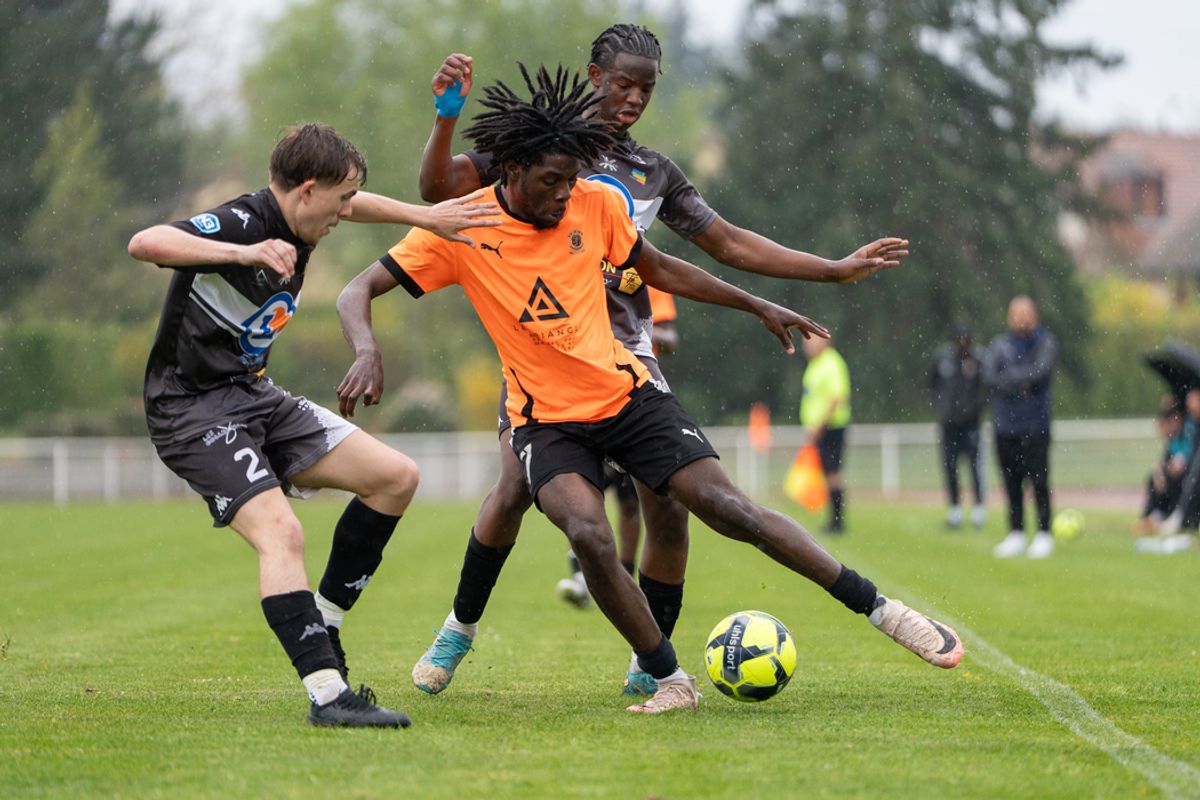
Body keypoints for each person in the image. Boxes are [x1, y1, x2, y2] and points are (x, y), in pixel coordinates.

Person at [336, 64, 963, 716]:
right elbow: (359, 288)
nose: (565, 195)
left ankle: (885, 611)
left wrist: (757, 304)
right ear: (513, 170)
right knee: (587, 532)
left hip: (627, 394)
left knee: (729, 509)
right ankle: (667, 678)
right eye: (552, 183)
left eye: (572, 181)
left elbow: (663, 267)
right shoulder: (463, 225)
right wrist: (367, 349)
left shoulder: (596, 202)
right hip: (544, 420)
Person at [126, 122, 498, 728]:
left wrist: (425, 218)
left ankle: (326, 621)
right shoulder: (245, 222)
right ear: (306, 191)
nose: (346, 212)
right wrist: (242, 253)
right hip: (191, 410)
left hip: (253, 395)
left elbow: (358, 203)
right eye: (341, 199)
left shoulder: (305, 215)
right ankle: (328, 695)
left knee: (394, 477)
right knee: (283, 534)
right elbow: (146, 242)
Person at [556, 286, 678, 608]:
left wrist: (640, 331)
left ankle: (624, 575)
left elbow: (670, 338)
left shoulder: (647, 276)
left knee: (630, 502)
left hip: (635, 400)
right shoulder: (582, 270)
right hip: (587, 398)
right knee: (581, 492)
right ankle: (583, 572)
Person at [985, 296, 1058, 559]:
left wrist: (1010, 377)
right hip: (1005, 426)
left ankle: (1044, 533)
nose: (1021, 318)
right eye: (1016, 313)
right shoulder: (999, 345)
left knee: (1039, 481)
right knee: (1011, 481)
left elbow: (1040, 372)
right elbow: (990, 377)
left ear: (1034, 316)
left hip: (1035, 425)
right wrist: (1020, 382)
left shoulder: (1045, 343)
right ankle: (1016, 532)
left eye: (1026, 313)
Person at [928, 324, 987, 530]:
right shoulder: (943, 359)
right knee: (950, 467)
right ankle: (955, 510)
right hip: (949, 424)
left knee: (975, 466)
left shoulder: (978, 359)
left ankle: (978, 509)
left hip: (971, 424)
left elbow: (986, 387)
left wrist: (975, 408)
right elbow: (932, 385)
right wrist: (941, 407)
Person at [800, 335, 851, 533]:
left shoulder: (832, 363)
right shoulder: (816, 364)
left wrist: (820, 426)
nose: (806, 346)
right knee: (828, 472)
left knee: (833, 472)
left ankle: (837, 522)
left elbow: (838, 397)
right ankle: (833, 519)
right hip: (821, 429)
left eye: (810, 341)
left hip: (831, 427)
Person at [1135, 395, 1190, 535]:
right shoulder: (1173, 439)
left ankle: (1172, 516)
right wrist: (1159, 471)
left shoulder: (1189, 432)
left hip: (1186, 477)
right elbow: (1165, 460)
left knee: (1175, 481)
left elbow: (1182, 463)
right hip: (1174, 476)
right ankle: (1151, 516)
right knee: (1154, 478)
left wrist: (1168, 469)